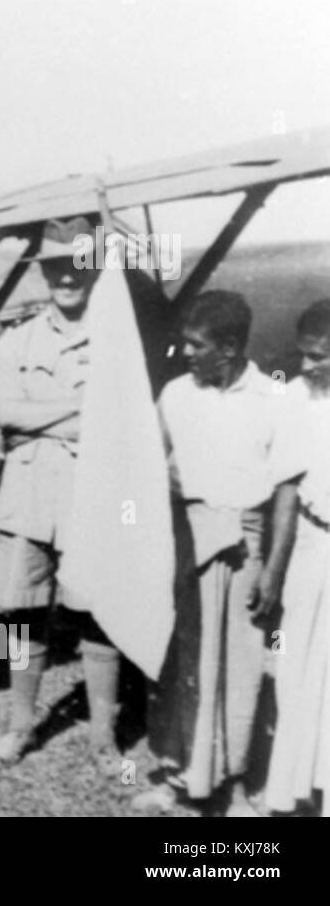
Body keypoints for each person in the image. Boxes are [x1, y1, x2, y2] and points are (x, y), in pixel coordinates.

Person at [136, 291, 301, 815]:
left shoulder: (273, 402)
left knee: (239, 665)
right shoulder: (176, 396)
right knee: (180, 663)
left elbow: (284, 494)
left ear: (228, 347)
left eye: (195, 344)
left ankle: (229, 786)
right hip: (185, 541)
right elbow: (147, 473)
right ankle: (173, 773)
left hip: (244, 550)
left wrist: (271, 571)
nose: (185, 352)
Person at [0, 218, 121, 763]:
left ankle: (104, 736)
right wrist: (80, 410)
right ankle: (21, 725)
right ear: (42, 272)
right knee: (23, 610)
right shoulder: (17, 337)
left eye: (79, 265)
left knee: (96, 613)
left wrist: (44, 418)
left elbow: (118, 420)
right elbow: (5, 412)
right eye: (57, 267)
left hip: (92, 492)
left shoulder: (117, 338)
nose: (69, 277)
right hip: (29, 491)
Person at [263, 299, 330, 815]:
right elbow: (285, 489)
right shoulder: (294, 399)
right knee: (296, 669)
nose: (306, 367)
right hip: (312, 544)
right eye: (304, 355)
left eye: (319, 357)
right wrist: (274, 571)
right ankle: (293, 788)